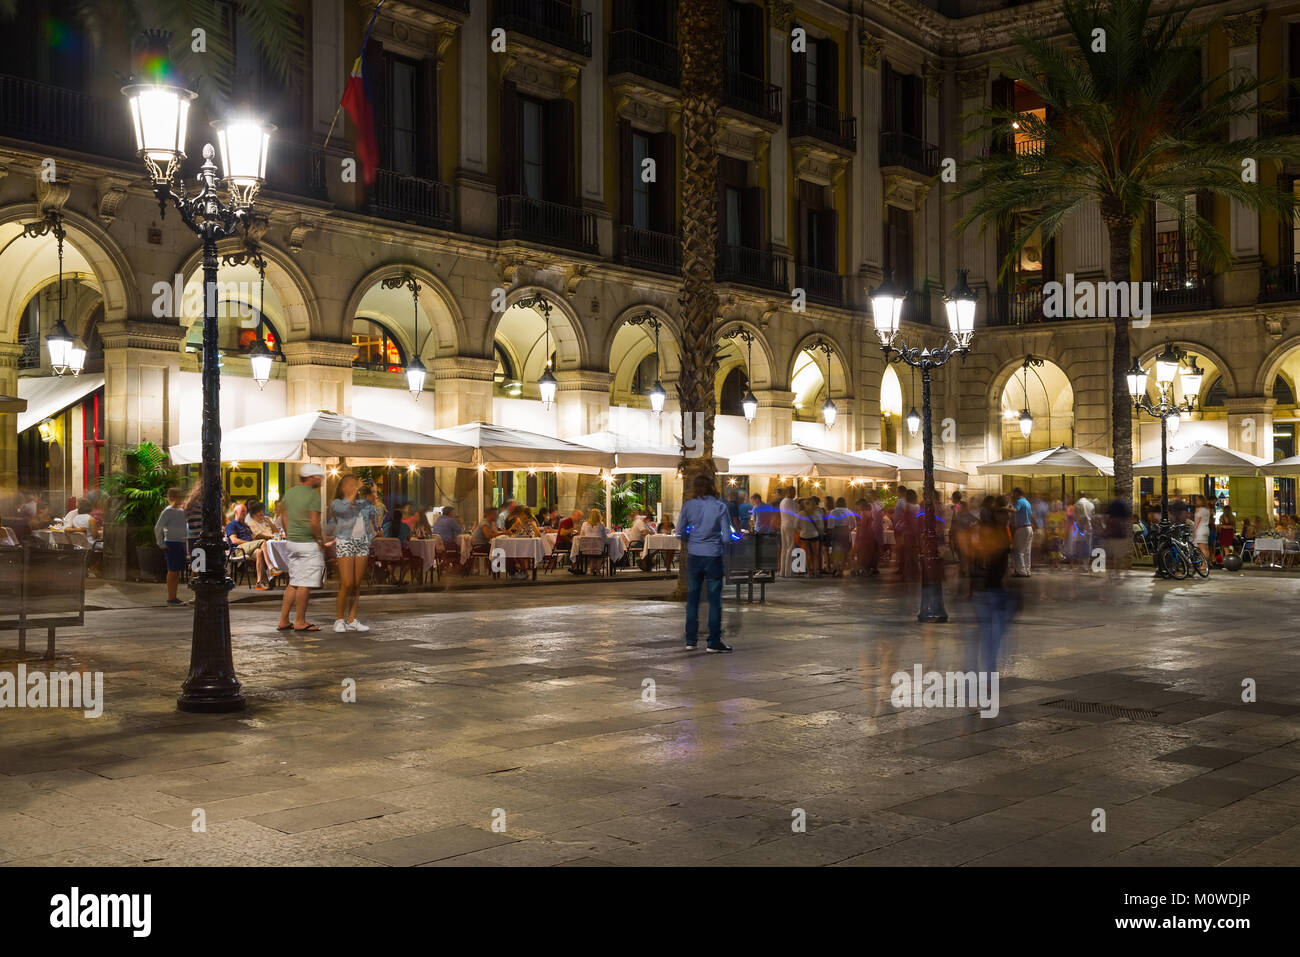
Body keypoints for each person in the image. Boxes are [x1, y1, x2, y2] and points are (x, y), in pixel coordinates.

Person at [679, 474, 735, 652]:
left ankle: (690, 640)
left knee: (693, 598)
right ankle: (713, 641)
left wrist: (693, 538)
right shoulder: (720, 506)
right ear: (712, 486)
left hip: (694, 555)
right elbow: (727, 537)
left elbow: (680, 531)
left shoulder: (688, 506)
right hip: (713, 555)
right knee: (714, 599)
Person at [276, 465, 327, 633]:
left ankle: (283, 620)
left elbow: (283, 515)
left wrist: (290, 533)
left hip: (292, 542)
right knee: (305, 582)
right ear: (311, 477)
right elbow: (314, 522)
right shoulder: (314, 496)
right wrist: (320, 540)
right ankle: (300, 621)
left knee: (294, 582)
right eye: (319, 477)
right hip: (307, 544)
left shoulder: (290, 493)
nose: (321, 480)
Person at [330, 475, 377, 633]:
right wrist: (356, 490)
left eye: (355, 484)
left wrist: (373, 492)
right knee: (347, 583)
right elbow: (343, 510)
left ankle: (352, 618)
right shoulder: (337, 503)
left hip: (362, 542)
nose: (354, 487)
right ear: (342, 488)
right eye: (350, 485)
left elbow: (374, 513)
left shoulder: (362, 504)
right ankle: (339, 620)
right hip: (346, 542)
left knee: (357, 583)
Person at [153, 487, 189, 606]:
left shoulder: (181, 511)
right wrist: (161, 544)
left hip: (181, 542)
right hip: (172, 542)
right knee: (172, 570)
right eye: (177, 496)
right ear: (172, 497)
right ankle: (171, 597)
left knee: (177, 570)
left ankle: (174, 596)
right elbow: (158, 527)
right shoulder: (168, 511)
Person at [827, 497, 855, 576]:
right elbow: (853, 524)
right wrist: (849, 529)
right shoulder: (849, 511)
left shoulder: (833, 511)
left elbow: (830, 525)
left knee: (836, 551)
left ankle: (836, 568)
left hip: (836, 532)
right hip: (846, 532)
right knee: (845, 551)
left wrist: (830, 533)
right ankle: (842, 569)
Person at [795, 498, 822, 575]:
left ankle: (809, 572)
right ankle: (815, 571)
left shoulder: (800, 514)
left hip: (804, 535)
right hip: (814, 535)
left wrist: (801, 531)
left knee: (807, 554)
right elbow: (820, 526)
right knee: (815, 554)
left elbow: (796, 526)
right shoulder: (816, 513)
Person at [1010, 486, 1033, 577]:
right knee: (1027, 551)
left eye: (1013, 493)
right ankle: (1027, 570)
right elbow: (1030, 514)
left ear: (1016, 493)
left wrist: (1007, 507)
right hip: (1029, 528)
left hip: (1022, 528)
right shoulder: (1027, 502)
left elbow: (1015, 510)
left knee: (1018, 550)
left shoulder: (1019, 502)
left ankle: (1021, 571)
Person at [779, 485, 798, 577]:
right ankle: (788, 572)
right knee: (790, 547)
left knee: (784, 548)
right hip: (790, 525)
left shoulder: (782, 501)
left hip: (783, 524)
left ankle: (782, 571)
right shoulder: (791, 502)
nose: (795, 494)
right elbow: (795, 515)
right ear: (790, 492)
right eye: (794, 492)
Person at [1191, 494, 1213, 566]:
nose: (1196, 501)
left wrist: (1194, 531)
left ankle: (1204, 565)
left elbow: (1197, 522)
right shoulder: (1207, 510)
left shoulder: (1200, 510)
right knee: (1206, 548)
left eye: (1197, 500)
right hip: (1206, 529)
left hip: (1200, 529)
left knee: (1202, 549)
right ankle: (1206, 564)